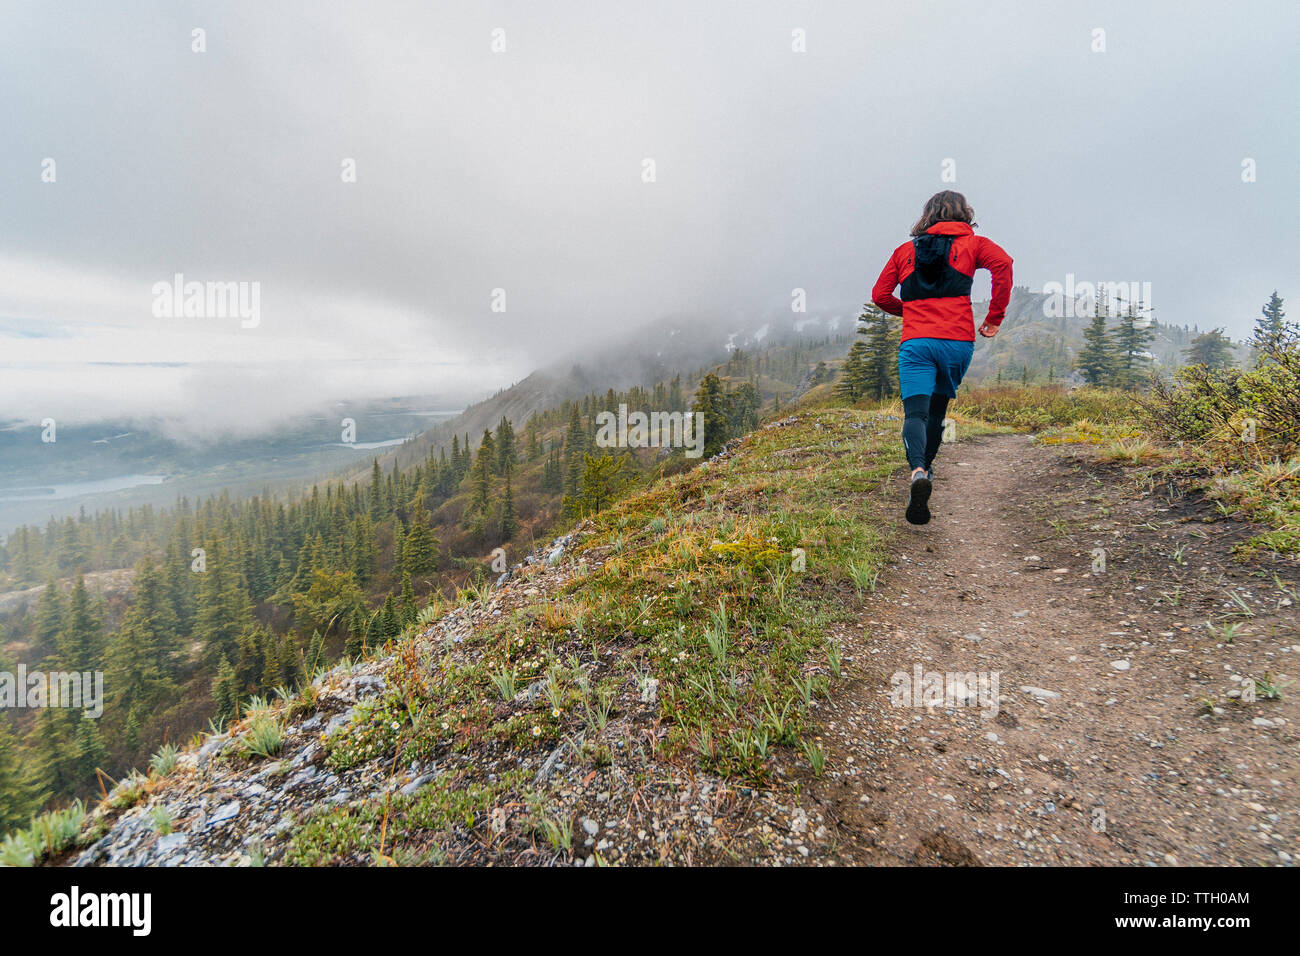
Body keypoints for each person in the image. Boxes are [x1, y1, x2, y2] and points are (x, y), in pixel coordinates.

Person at [871, 190, 1013, 525]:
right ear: (965, 213)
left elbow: (879, 295)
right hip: (956, 343)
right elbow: (1004, 263)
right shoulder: (975, 245)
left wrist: (909, 311)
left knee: (915, 413)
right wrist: (994, 317)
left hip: (917, 343)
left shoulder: (904, 252)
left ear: (928, 215)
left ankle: (918, 470)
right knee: (936, 414)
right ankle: (926, 476)